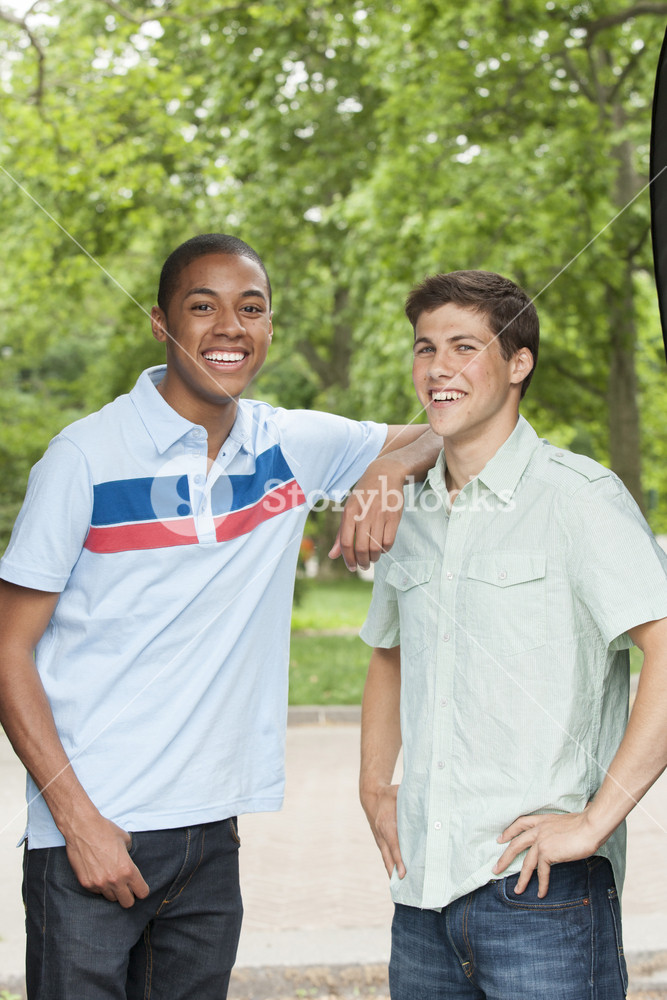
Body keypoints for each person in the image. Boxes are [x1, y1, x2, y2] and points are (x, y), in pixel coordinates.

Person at [0, 233, 440, 1000]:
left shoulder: (290, 444)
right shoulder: (85, 457)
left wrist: (391, 466)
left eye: (252, 308)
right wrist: (78, 822)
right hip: (90, 834)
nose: (230, 326)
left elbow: (453, 424)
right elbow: (8, 652)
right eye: (202, 306)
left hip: (209, 836)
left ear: (270, 327)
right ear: (161, 323)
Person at [359, 269, 667, 1000]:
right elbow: (387, 652)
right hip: (421, 898)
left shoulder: (577, 499)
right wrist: (373, 787)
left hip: (543, 899)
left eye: (464, 347)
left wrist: (594, 821)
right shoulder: (411, 510)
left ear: (517, 362)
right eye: (424, 348)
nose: (437, 368)